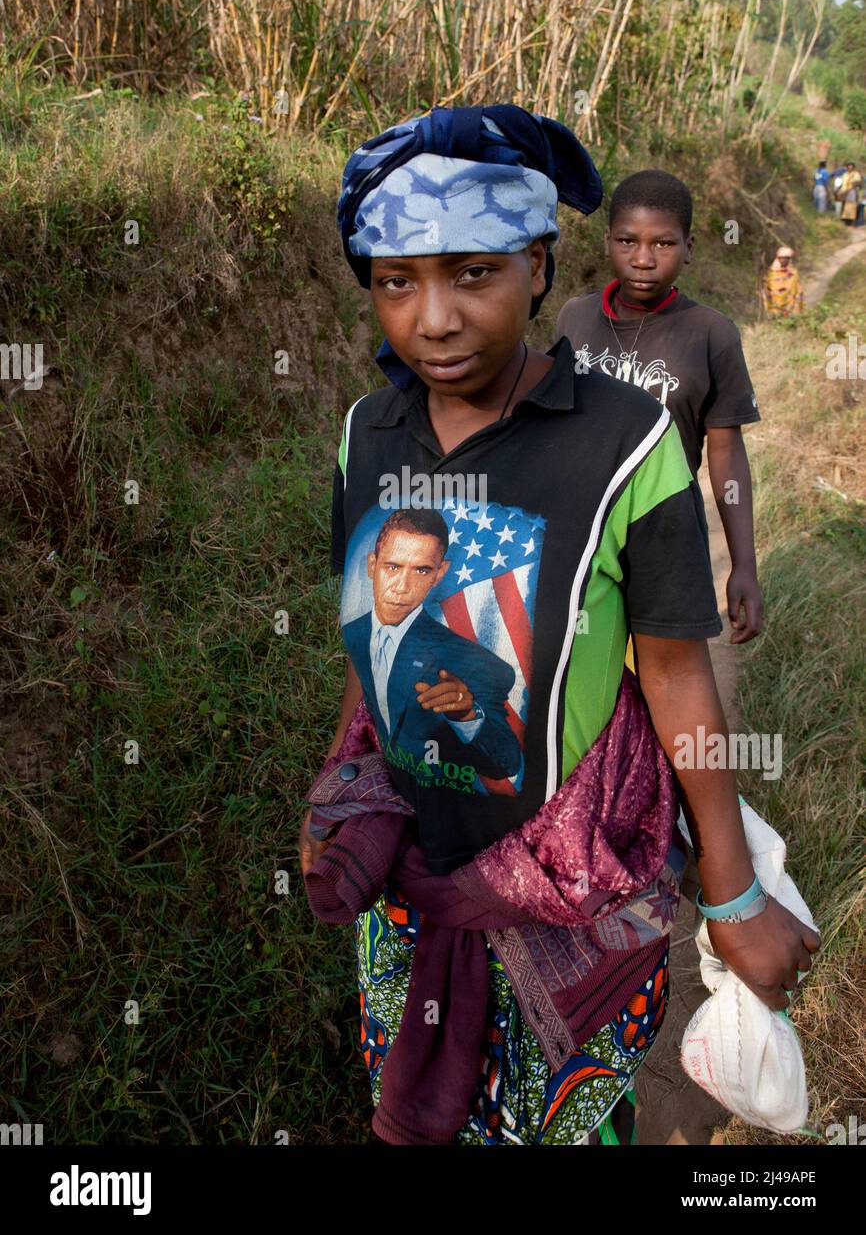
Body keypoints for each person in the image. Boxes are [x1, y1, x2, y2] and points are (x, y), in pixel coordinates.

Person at [299, 104, 818, 1146]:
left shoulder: (623, 445)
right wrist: (335, 783)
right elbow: (367, 641)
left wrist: (729, 896)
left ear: (538, 266)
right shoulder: (369, 431)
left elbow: (674, 674)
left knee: (564, 1124)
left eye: (472, 274)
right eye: (396, 282)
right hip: (414, 865)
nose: (432, 318)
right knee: (417, 1105)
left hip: (569, 883)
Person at [556, 170, 763, 646]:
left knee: (668, 673)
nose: (643, 259)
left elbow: (727, 455)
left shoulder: (711, 333)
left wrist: (743, 565)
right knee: (586, 666)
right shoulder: (574, 318)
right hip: (584, 530)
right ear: (607, 241)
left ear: (688, 247)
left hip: (668, 530)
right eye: (627, 240)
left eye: (663, 244)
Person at [341, 507, 525, 788]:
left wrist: (467, 715)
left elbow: (507, 761)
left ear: (439, 573)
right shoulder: (356, 632)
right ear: (371, 564)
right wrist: (335, 765)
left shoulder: (472, 663)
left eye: (421, 570)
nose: (401, 587)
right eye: (392, 567)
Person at [762, 245, 805, 319]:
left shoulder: (793, 272)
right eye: (782, 258)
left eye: (787, 258)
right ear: (778, 258)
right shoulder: (771, 273)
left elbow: (798, 288)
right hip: (776, 305)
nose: (784, 260)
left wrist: (799, 300)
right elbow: (767, 290)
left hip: (791, 305)